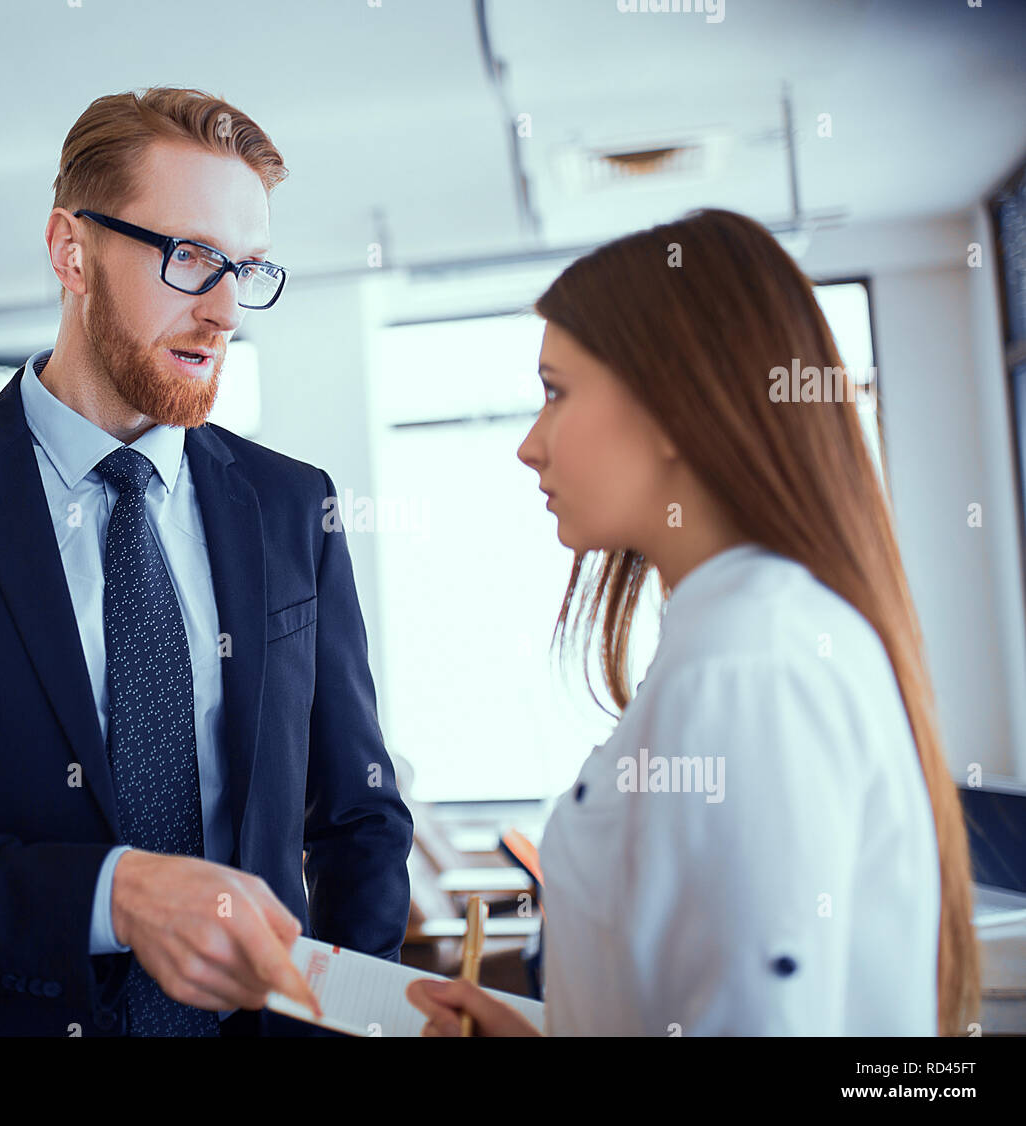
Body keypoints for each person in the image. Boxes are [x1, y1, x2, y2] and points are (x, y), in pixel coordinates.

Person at [0, 86, 414, 1037]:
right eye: (191, 257)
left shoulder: (291, 506)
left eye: (247, 267)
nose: (227, 311)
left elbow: (358, 816)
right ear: (71, 250)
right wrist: (114, 896)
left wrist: (360, 1016)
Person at [407, 208, 980, 1036]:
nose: (529, 445)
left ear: (676, 403)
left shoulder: (747, 668)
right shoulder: (739, 639)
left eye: (557, 392)